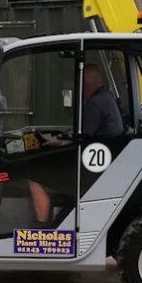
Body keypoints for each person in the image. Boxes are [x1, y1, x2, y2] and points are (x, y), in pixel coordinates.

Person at [28, 64, 123, 225]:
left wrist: (57, 143)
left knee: (33, 173)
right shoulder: (106, 98)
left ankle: (42, 224)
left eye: (81, 86)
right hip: (101, 160)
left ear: (86, 86)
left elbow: (80, 139)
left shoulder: (94, 105)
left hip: (90, 170)